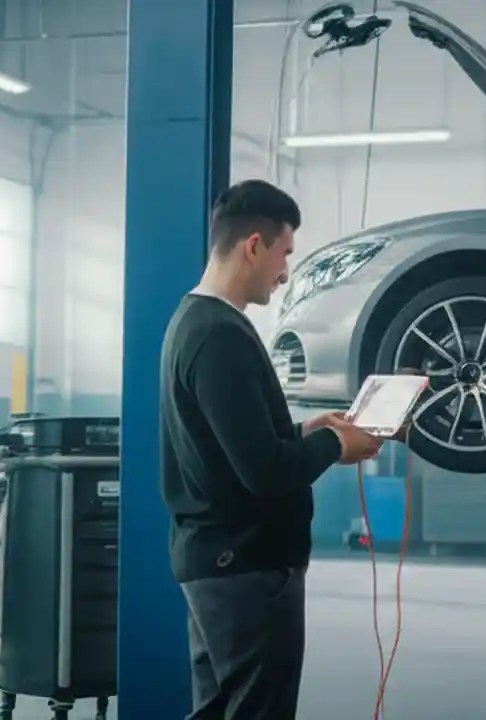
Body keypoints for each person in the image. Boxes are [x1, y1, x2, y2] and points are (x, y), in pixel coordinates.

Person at [160, 179, 386, 719]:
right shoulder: (219, 335)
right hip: (245, 567)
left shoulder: (196, 322)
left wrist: (306, 431)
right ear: (254, 246)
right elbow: (264, 472)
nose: (285, 272)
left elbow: (234, 445)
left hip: (219, 562)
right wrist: (336, 443)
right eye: (285, 253)